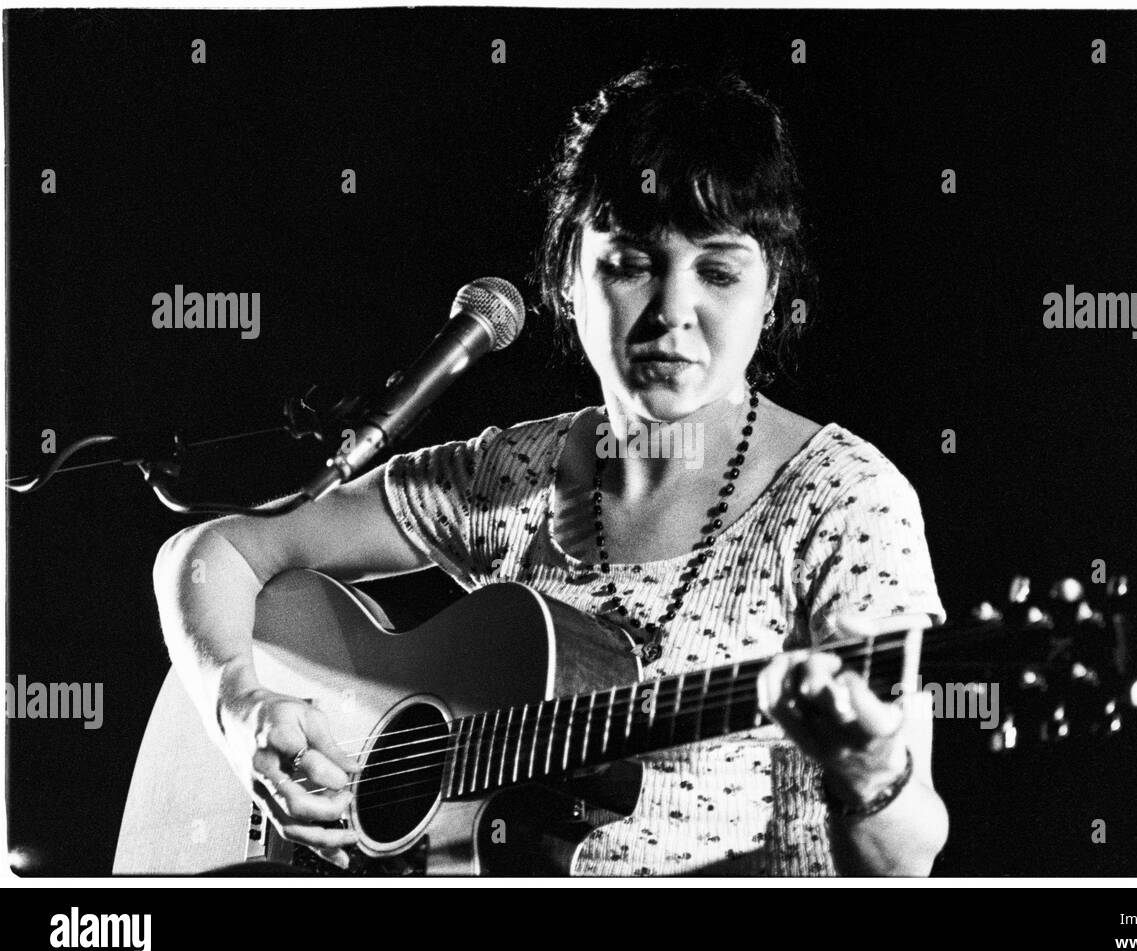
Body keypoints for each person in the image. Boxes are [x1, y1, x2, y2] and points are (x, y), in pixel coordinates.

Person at [153, 62, 949, 877]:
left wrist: (874, 772)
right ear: (566, 275)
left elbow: (901, 863)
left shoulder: (846, 503)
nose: (674, 310)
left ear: (773, 291)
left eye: (717, 270)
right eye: (631, 261)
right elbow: (208, 552)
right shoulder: (510, 474)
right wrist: (241, 711)